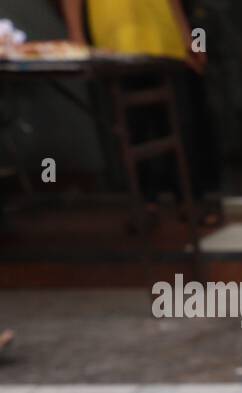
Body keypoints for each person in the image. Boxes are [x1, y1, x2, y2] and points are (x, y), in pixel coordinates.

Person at [60, 0, 222, 225]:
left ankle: (189, 198)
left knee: (178, 120)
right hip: (117, 35)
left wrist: (187, 36)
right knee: (132, 125)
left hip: (164, 33)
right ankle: (145, 201)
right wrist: (76, 36)